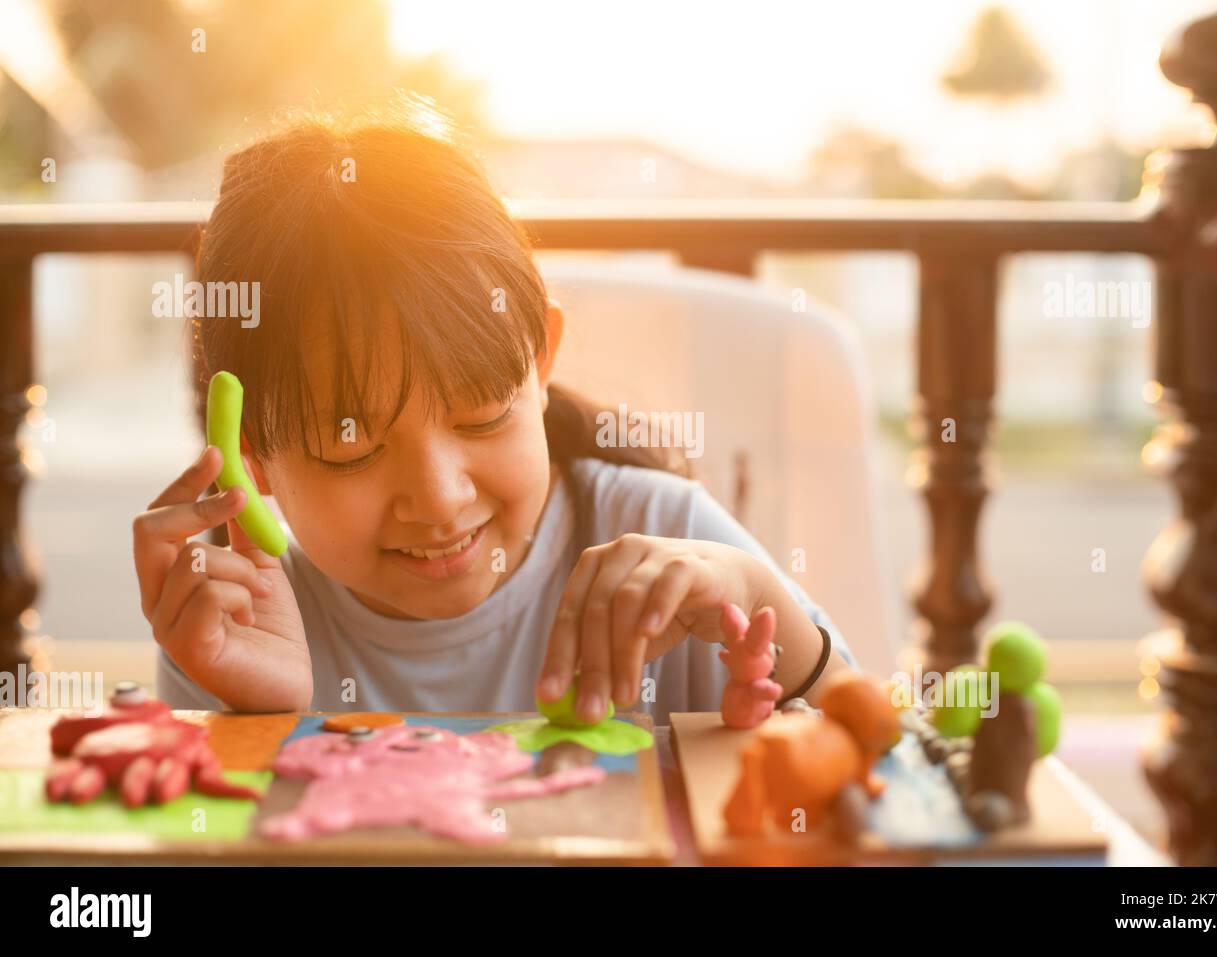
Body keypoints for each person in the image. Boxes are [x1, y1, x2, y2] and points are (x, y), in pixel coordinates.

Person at [132, 96, 855, 725]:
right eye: (353, 447)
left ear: (540, 363)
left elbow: (886, 756)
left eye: (481, 416)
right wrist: (263, 725)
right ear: (251, 454)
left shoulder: (674, 545)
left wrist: (760, 599)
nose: (442, 497)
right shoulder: (233, 619)